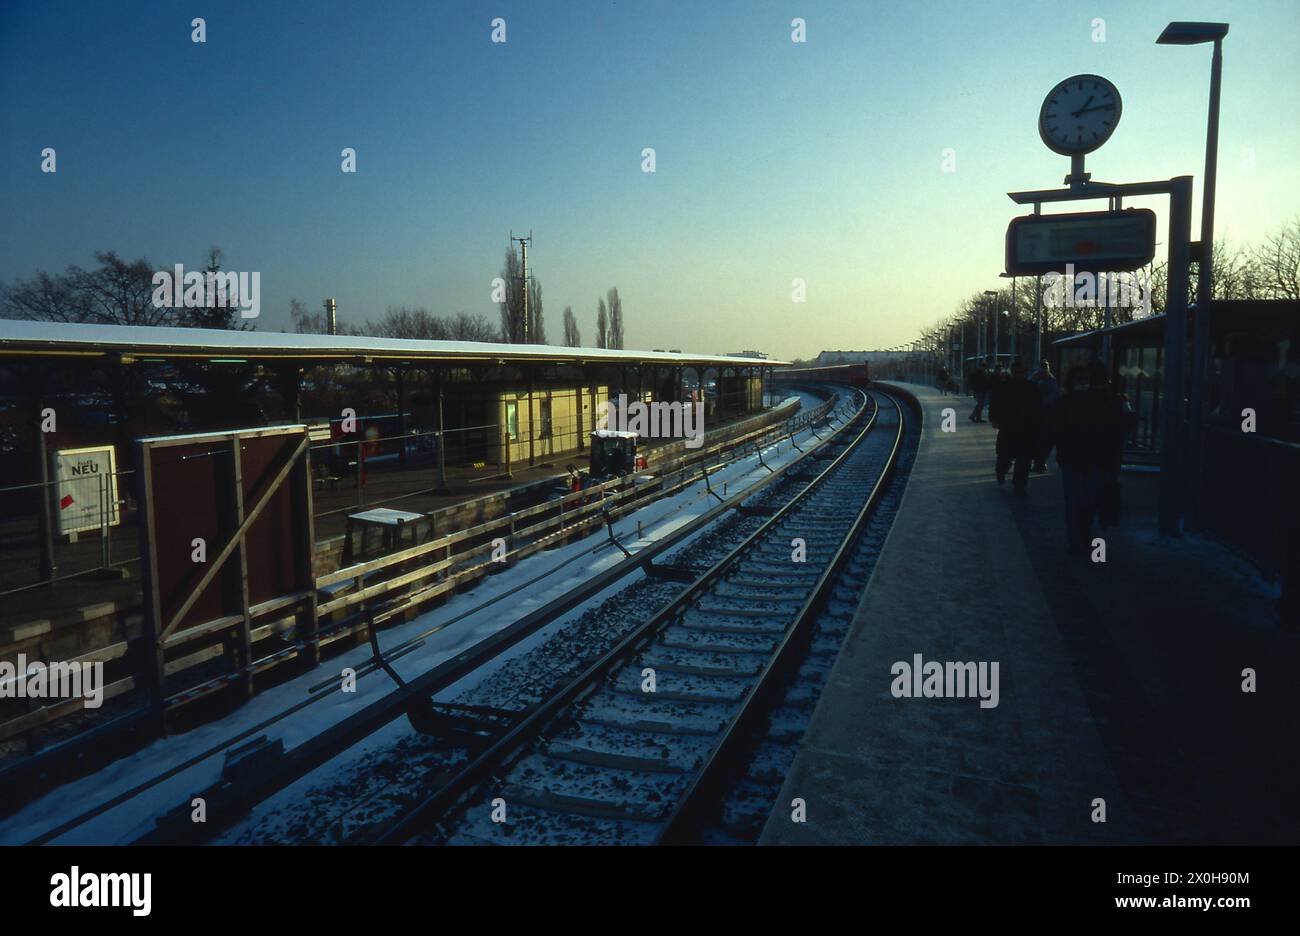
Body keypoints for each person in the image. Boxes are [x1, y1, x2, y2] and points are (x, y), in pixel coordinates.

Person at [1053, 361, 1127, 554]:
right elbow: (1054, 431)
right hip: (1072, 461)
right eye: (1079, 380)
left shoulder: (1102, 402)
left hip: (1094, 460)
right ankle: (1077, 542)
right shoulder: (1065, 403)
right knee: (1074, 502)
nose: (1083, 384)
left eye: (1086, 380)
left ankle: (1083, 534)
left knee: (1089, 501)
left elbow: (1115, 433)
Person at [988, 358, 1042, 495]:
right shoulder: (1004, 386)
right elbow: (995, 403)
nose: (1019, 375)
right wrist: (994, 418)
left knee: (1024, 459)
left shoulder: (1032, 388)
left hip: (1026, 429)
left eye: (1021, 372)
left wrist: (1038, 424)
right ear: (1012, 372)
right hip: (1008, 427)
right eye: (1016, 372)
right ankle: (1001, 471)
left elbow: (1038, 408)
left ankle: (1019, 485)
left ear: (1025, 373)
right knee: (1005, 456)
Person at [1029, 360, 1062, 472]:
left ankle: (1040, 461)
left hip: (1048, 414)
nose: (1044, 370)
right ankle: (1039, 461)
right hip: (1037, 414)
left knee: (1046, 440)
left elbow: (1056, 394)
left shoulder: (1051, 380)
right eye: (1043, 368)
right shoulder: (1034, 379)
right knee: (1039, 439)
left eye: (1046, 368)